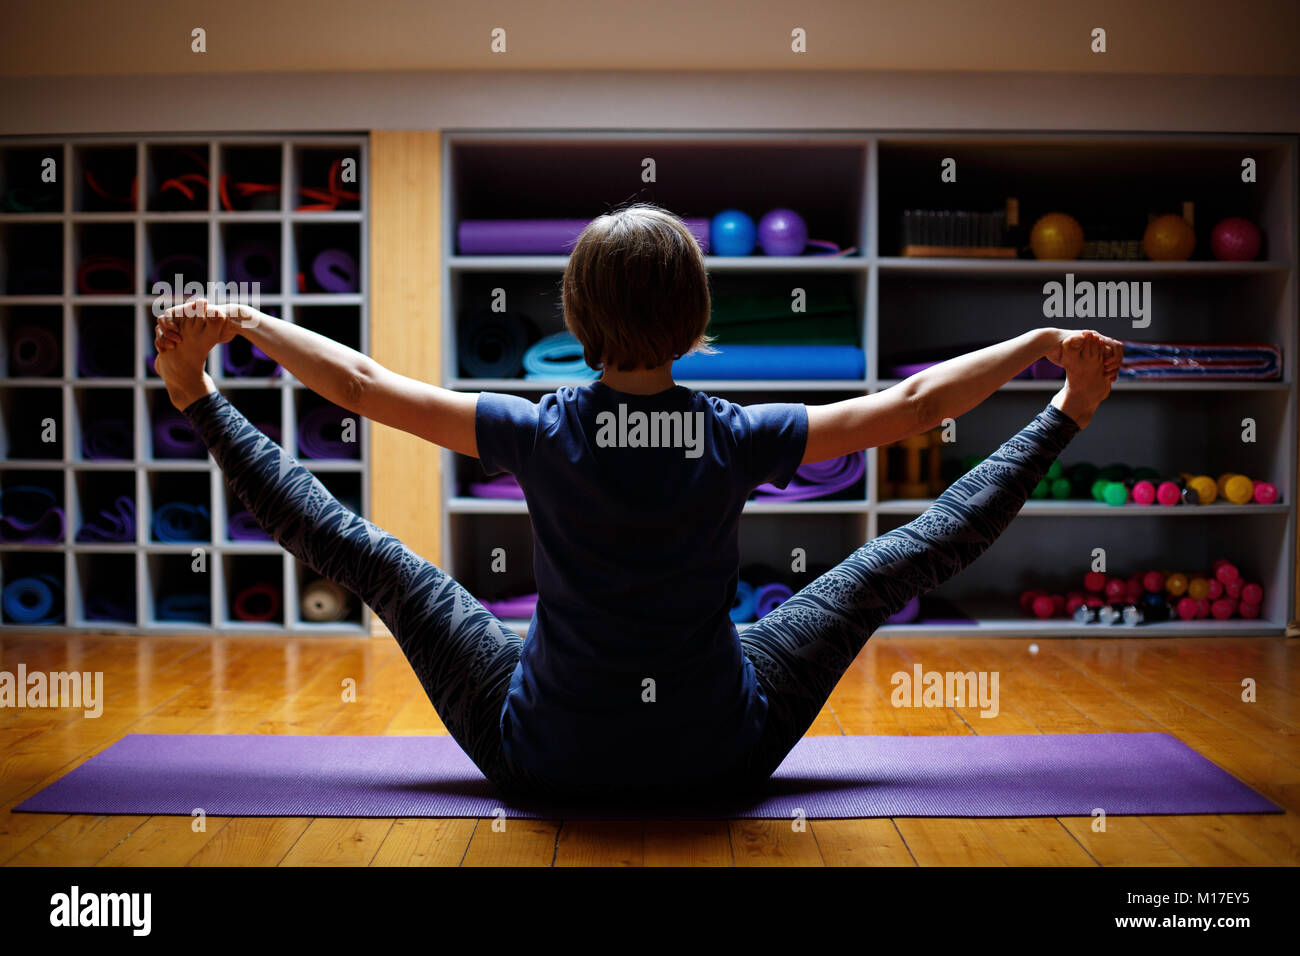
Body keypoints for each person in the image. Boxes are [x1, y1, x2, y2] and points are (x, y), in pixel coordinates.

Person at [154, 202, 1120, 804]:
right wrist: (1040, 359)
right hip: (716, 756)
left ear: (575, 318)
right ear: (697, 320)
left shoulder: (537, 429)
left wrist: (241, 328)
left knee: (375, 560)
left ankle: (196, 403)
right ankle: (1067, 417)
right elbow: (914, 403)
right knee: (889, 564)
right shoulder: (736, 432)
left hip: (549, 756)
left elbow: (361, 387)